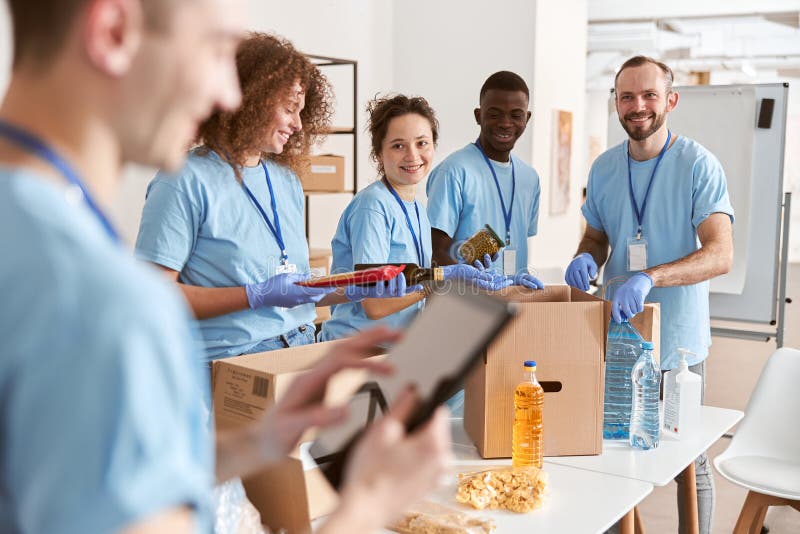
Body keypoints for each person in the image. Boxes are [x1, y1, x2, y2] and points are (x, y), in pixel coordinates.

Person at [0, 1, 449, 532]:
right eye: (214, 50)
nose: (228, 95)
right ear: (113, 31)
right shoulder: (99, 298)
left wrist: (260, 439)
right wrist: (369, 505)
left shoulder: (39, 229)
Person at [135, 33, 408, 365]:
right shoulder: (183, 180)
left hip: (303, 346)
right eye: (290, 109)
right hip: (233, 359)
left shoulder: (285, 180)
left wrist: (355, 290)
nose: (297, 125)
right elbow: (154, 295)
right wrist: (254, 296)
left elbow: (299, 290)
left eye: (302, 112)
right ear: (250, 99)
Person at [564, 55, 734, 534]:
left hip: (679, 344)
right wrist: (587, 258)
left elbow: (720, 254)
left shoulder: (698, 165)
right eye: (626, 96)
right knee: (617, 453)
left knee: (688, 462)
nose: (637, 106)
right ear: (615, 102)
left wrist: (650, 277)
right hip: (621, 337)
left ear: (671, 100)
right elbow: (597, 236)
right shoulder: (603, 169)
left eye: (649, 95)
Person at [320, 94, 503, 342]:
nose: (412, 155)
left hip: (396, 348)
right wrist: (436, 282)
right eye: (398, 145)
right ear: (378, 153)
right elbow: (374, 305)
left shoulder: (417, 208)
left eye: (422, 143)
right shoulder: (372, 207)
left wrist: (471, 274)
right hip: (357, 351)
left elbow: (413, 282)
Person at [426, 71, 544, 289]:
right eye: (494, 114)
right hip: (465, 304)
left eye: (516, 115)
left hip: (514, 303)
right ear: (478, 115)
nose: (505, 123)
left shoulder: (530, 178)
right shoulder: (453, 171)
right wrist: (471, 279)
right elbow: (434, 253)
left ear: (527, 118)